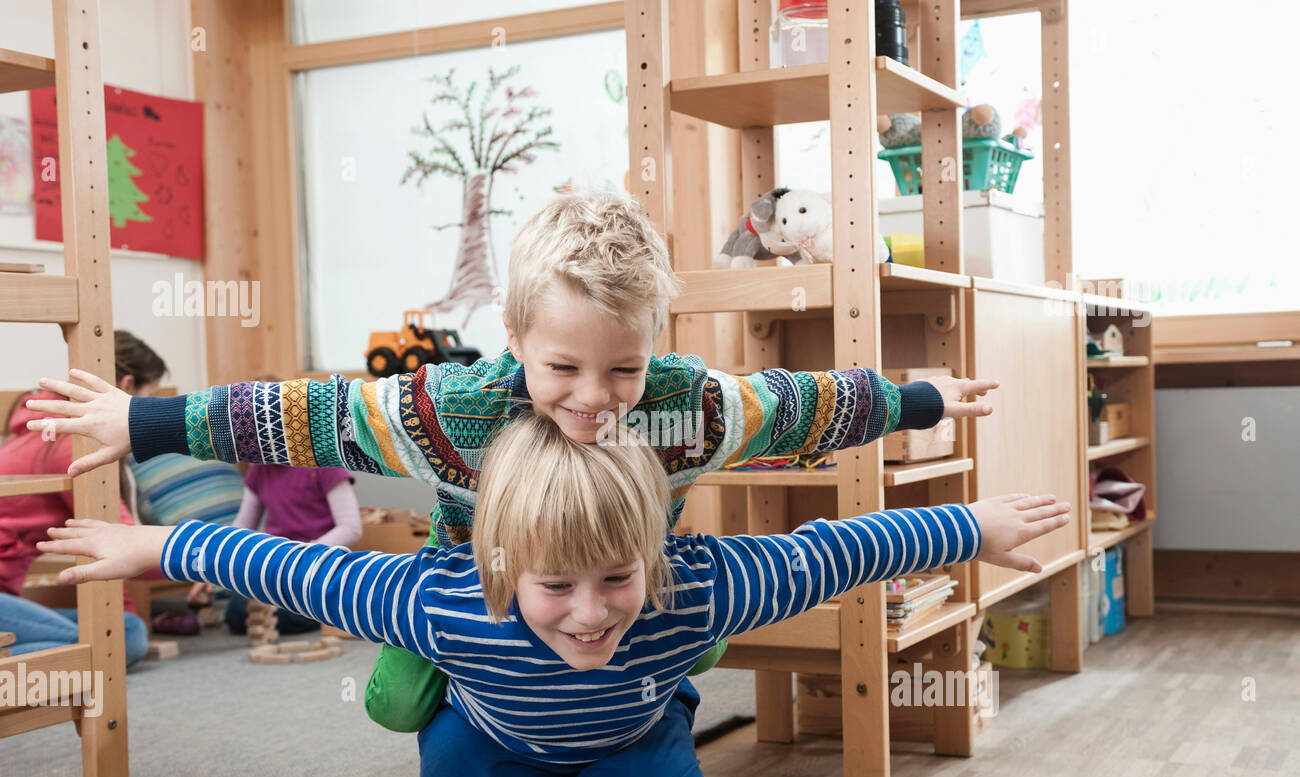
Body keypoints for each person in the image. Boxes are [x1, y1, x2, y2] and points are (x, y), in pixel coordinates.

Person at [26, 191, 1002, 735]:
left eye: (621, 368)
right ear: (514, 339)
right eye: (563, 368)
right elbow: (308, 414)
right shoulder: (451, 409)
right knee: (402, 703)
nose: (592, 397)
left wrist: (916, 400)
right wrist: (147, 423)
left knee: (693, 638)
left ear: (653, 348)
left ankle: (645, 684)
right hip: (479, 591)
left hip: (626, 582)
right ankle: (455, 684)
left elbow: (806, 404)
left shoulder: (688, 405)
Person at [42, 413, 1070, 777]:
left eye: (617, 579)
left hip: (632, 736)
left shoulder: (692, 590)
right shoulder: (444, 602)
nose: (589, 612)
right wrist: (148, 546)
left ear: (655, 561)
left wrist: (975, 528)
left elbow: (835, 550)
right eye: (555, 587)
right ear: (500, 573)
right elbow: (295, 565)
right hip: (489, 740)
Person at [0, 331, 167, 668]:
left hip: (6, 598)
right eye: (149, 401)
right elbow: (124, 544)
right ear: (128, 386)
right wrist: (215, 563)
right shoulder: (72, 444)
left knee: (118, 629)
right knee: (125, 637)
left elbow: (104, 543)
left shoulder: (43, 432)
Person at [190, 375, 363, 635]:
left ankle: (328, 610)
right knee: (238, 614)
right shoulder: (259, 470)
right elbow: (241, 529)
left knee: (296, 612)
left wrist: (300, 556)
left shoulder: (323, 462)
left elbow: (351, 528)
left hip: (316, 564)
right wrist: (209, 571)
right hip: (276, 567)